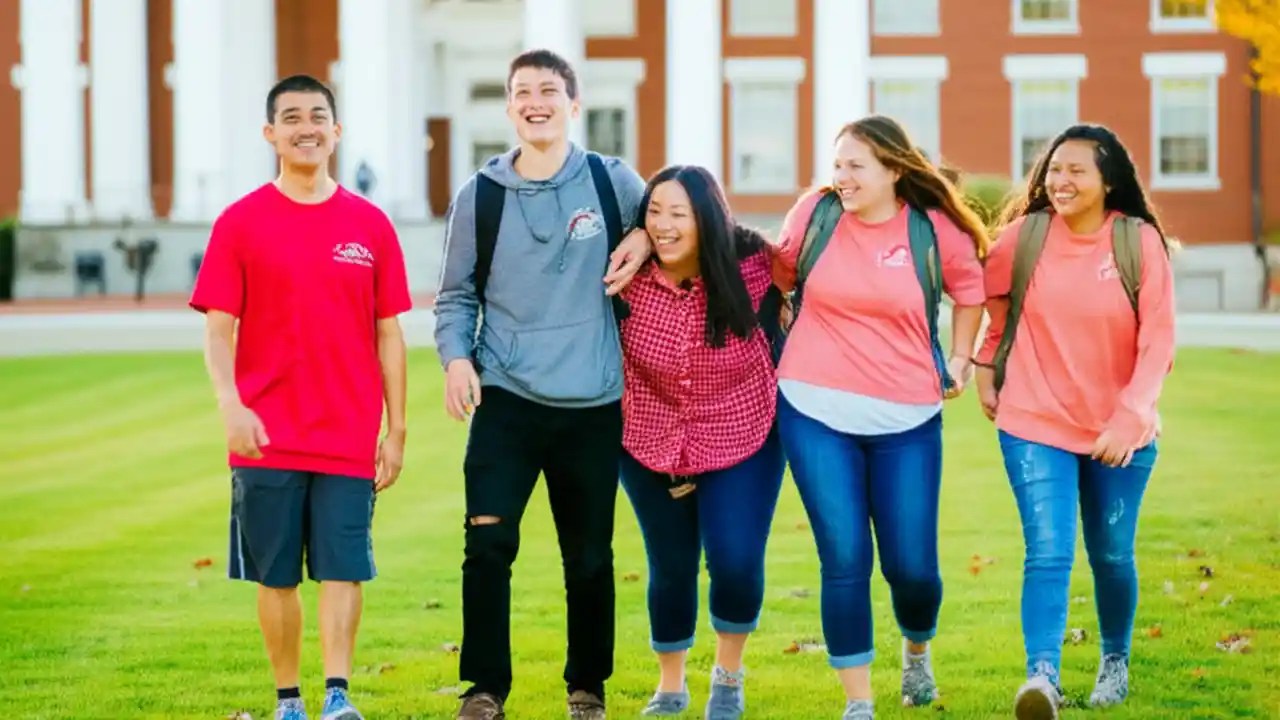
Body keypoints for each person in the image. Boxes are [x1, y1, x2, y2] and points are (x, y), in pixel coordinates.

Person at [433, 49, 652, 720]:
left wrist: (642, 235)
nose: (537, 101)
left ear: (574, 105)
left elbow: (677, 230)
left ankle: (587, 687)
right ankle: (484, 688)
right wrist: (455, 359)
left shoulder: (613, 182)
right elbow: (454, 297)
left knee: (588, 557)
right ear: (509, 107)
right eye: (523, 91)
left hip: (592, 404)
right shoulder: (481, 195)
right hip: (506, 399)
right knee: (488, 544)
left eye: (549, 90)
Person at [189, 74, 411, 720]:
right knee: (276, 576)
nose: (306, 126)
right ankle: (289, 699)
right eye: (291, 117)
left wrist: (396, 431)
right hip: (266, 436)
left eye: (318, 115)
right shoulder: (239, 223)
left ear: (336, 132)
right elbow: (217, 328)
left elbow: (389, 333)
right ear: (271, 134)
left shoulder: (369, 226)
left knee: (344, 569)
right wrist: (230, 404)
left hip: (346, 434)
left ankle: (338, 696)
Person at [769, 115, 990, 720]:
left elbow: (970, 291)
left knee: (911, 567)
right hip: (813, 406)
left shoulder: (930, 227)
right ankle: (859, 702)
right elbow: (777, 271)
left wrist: (964, 357)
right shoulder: (815, 214)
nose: (840, 177)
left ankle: (917, 652)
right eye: (836, 164)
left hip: (908, 413)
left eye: (855, 166)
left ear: (894, 169)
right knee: (844, 557)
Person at [973, 124, 1176, 720]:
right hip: (1034, 421)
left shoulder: (1137, 242)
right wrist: (986, 362)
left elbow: (1158, 342)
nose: (1059, 181)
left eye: (1076, 171)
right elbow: (987, 299)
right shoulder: (1024, 237)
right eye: (1053, 169)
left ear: (1107, 180)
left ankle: (1115, 660)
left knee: (1112, 554)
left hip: (1120, 431)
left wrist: (1129, 417)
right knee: (1048, 551)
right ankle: (1042, 678)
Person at [616, 165, 785, 720]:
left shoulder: (756, 268)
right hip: (648, 433)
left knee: (735, 560)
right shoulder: (626, 276)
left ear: (706, 219)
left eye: (677, 214)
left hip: (743, 428)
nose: (662, 226)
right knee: (670, 563)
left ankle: (728, 678)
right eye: (653, 213)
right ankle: (670, 687)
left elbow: (821, 263)